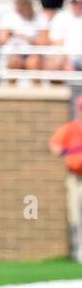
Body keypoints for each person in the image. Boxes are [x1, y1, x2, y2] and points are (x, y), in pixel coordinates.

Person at [50, 96, 82, 262]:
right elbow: (55, 145)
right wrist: (65, 152)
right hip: (75, 176)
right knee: (75, 213)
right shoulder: (70, 129)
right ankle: (78, 250)